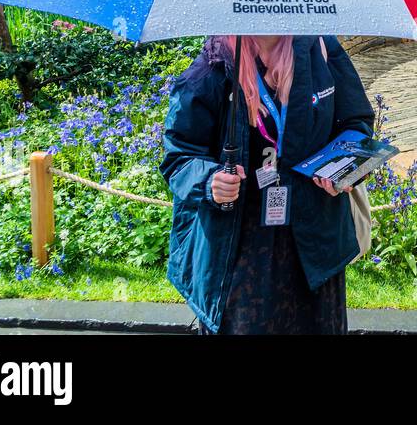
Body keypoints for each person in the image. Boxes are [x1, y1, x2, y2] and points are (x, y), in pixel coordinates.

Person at [161, 34, 375, 335]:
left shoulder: (321, 48)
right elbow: (180, 155)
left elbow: (357, 123)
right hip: (240, 253)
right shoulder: (214, 65)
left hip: (313, 248)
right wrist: (209, 181)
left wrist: (344, 168)